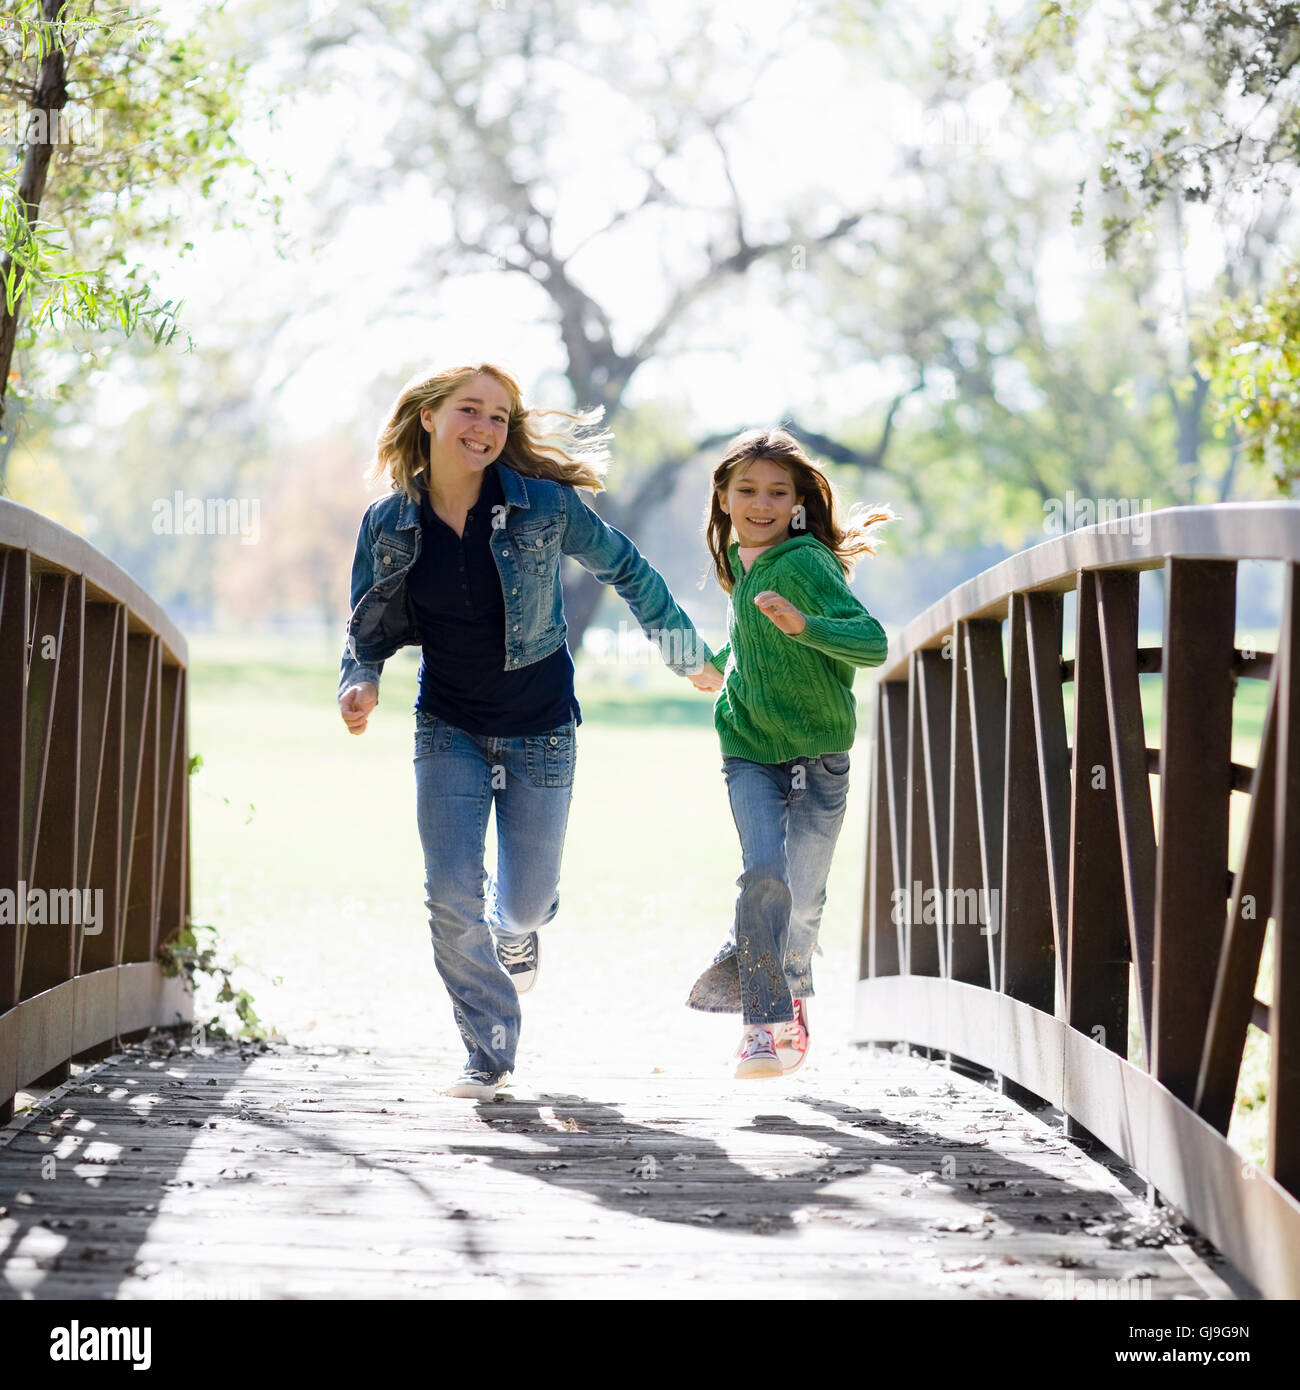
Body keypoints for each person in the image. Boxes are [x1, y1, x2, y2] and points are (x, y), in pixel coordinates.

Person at [338, 363, 711, 1099]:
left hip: (540, 729)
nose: (484, 428)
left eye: (499, 418)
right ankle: (489, 1053)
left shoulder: (544, 506)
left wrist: (683, 651)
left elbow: (627, 567)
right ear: (429, 419)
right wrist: (360, 678)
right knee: (450, 892)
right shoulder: (387, 522)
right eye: (469, 411)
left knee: (526, 901)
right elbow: (366, 622)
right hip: (447, 726)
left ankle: (519, 931)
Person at [684, 427, 893, 1079]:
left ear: (800, 503)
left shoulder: (805, 562)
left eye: (778, 492)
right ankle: (762, 1026)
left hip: (819, 756)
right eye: (747, 489)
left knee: (802, 898)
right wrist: (717, 665)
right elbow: (751, 637)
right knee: (764, 875)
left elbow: (873, 642)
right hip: (747, 749)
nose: (762, 503)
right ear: (723, 497)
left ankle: (788, 983)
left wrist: (808, 626)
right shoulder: (740, 565)